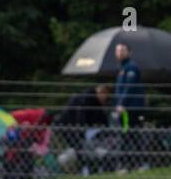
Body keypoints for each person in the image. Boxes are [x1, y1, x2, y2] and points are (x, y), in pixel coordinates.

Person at [112, 43, 146, 171]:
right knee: (128, 135)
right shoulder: (122, 68)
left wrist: (122, 104)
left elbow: (129, 88)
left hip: (131, 109)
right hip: (124, 108)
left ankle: (131, 164)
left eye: (122, 50)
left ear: (128, 52)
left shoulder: (131, 67)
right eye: (118, 50)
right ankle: (133, 164)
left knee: (131, 135)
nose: (120, 53)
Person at [55, 84, 111, 150]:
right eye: (105, 97)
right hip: (70, 127)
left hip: (74, 128)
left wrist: (107, 129)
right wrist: (82, 131)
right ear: (101, 93)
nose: (105, 100)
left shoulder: (94, 101)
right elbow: (80, 115)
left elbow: (102, 117)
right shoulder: (87, 98)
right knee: (78, 149)